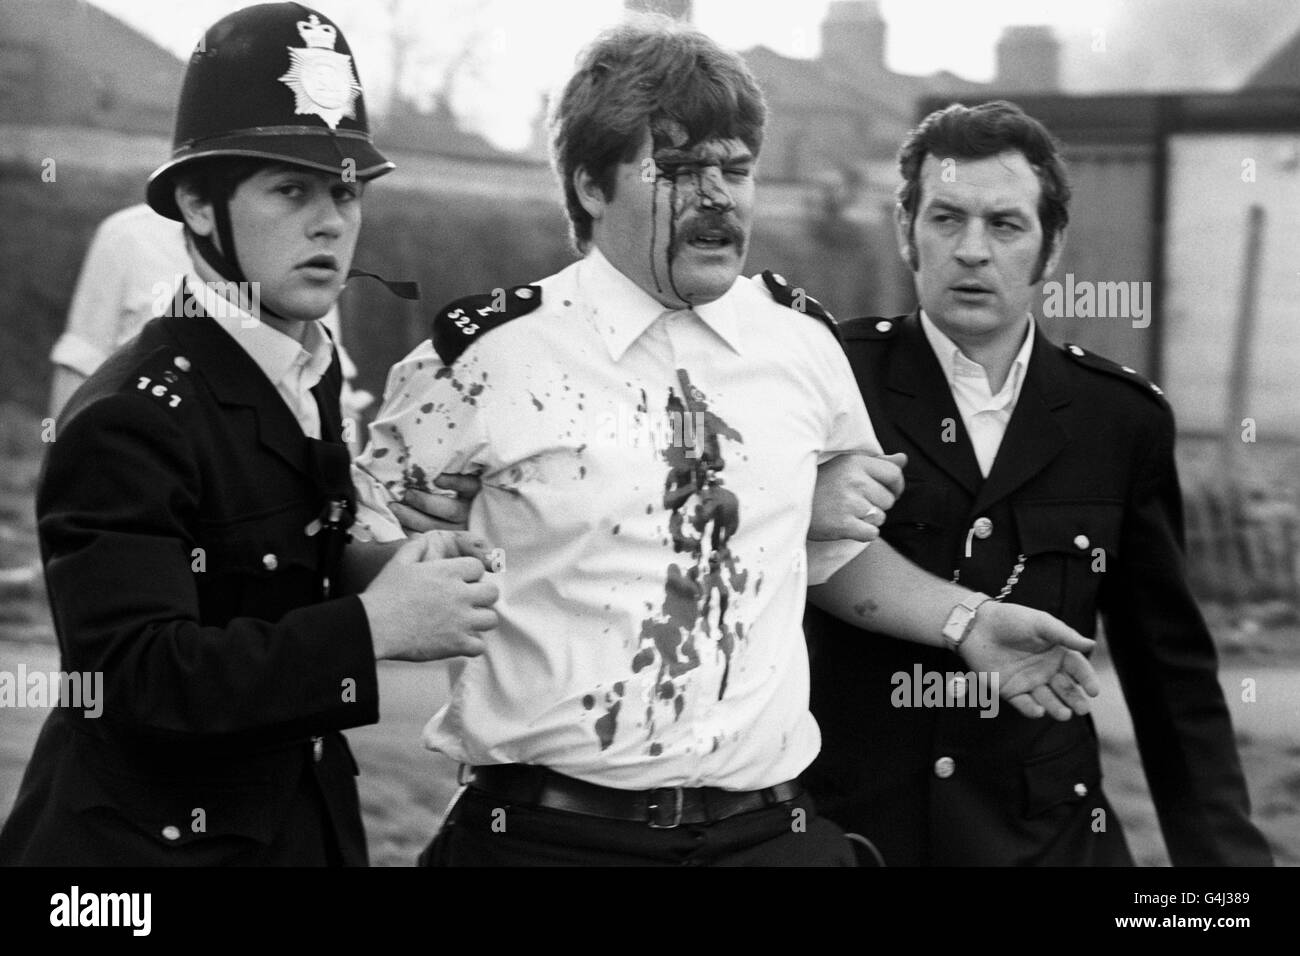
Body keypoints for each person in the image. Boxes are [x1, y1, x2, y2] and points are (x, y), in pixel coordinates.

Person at [350, 21, 1100, 867]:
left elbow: (829, 554)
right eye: (676, 170)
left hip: (765, 837)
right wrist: (419, 560)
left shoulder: (801, 345)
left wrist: (966, 622)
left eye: (736, 169)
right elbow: (360, 556)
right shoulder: (482, 362)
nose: (718, 198)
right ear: (592, 185)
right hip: (550, 840)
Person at [0, 2, 499, 867]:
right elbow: (135, 678)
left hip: (297, 826)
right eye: (291, 189)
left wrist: (394, 567)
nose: (331, 221)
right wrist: (372, 627)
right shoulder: (129, 415)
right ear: (198, 204)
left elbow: (268, 567)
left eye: (345, 190)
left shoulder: (312, 367)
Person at [804, 100, 1273, 866]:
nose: (972, 251)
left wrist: (1224, 879)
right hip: (861, 841)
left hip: (1045, 842)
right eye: (947, 219)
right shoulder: (828, 382)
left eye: (1006, 225)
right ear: (906, 233)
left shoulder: (1118, 421)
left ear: (1051, 249)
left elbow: (1171, 682)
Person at [48, 203, 372, 449]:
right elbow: (78, 365)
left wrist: (356, 509)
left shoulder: (308, 251)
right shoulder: (128, 236)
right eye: (288, 189)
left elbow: (331, 387)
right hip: (149, 468)